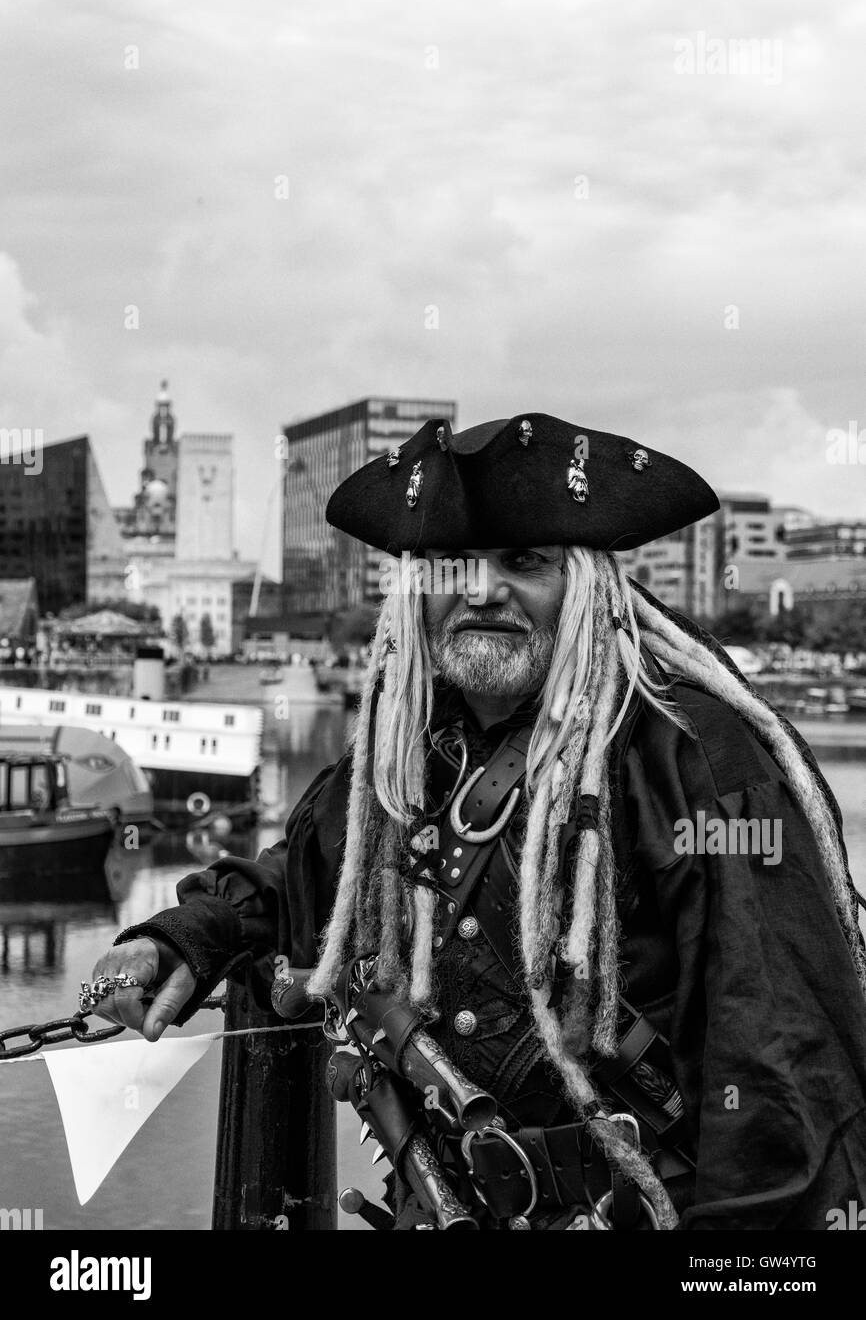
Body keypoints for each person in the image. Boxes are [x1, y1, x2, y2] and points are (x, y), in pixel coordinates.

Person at [87, 412, 866, 1231]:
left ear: (586, 584)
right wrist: (188, 935)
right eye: (451, 565)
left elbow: (784, 1084)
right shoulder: (406, 751)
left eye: (522, 561)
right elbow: (313, 875)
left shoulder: (699, 760)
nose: (481, 588)